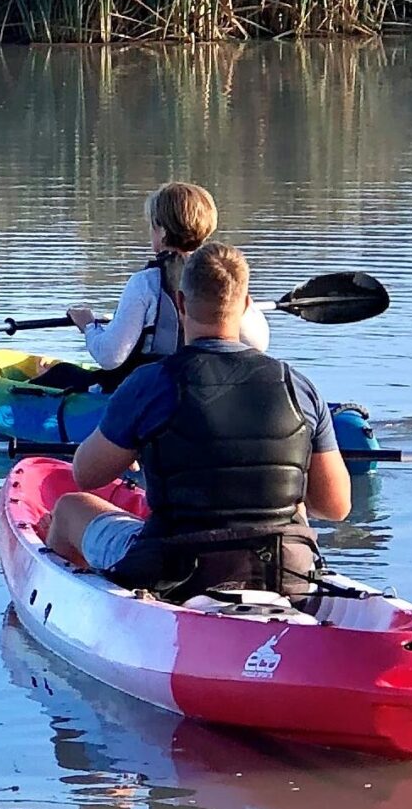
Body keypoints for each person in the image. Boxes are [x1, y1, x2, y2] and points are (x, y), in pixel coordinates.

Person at [46, 241, 351, 601]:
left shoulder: (150, 383)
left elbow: (86, 474)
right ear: (247, 305)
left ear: (181, 303)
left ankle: (89, 617)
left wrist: (135, 448)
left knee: (68, 509)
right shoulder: (298, 386)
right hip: (287, 570)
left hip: (174, 571)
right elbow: (335, 505)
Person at [62, 180, 268, 384]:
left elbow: (110, 357)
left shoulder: (145, 283)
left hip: (152, 391)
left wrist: (89, 325)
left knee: (60, 374)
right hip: (211, 386)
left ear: (161, 230)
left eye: (151, 225)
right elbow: (258, 343)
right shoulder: (224, 275)